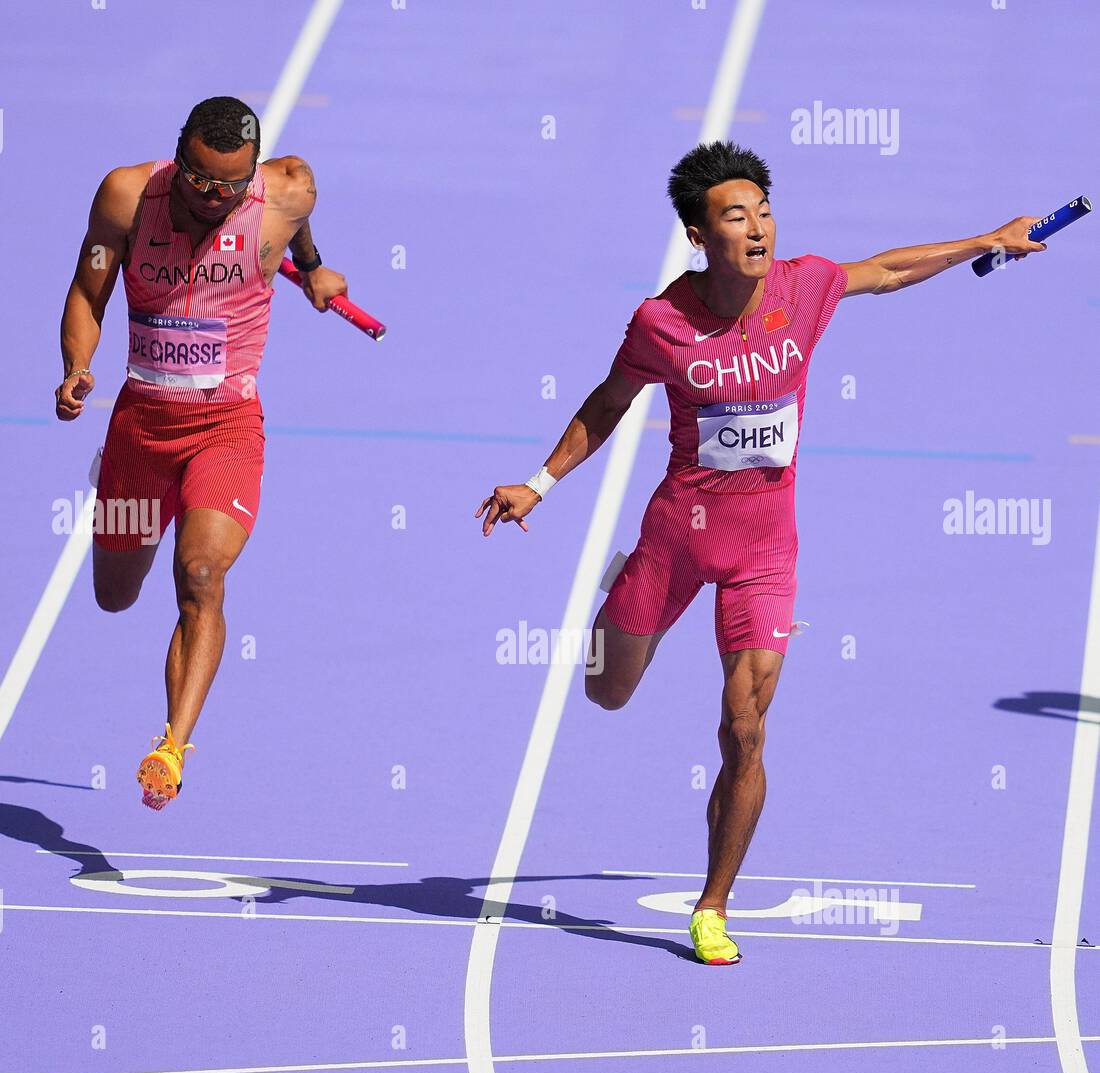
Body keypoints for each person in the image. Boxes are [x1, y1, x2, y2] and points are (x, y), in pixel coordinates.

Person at [476, 140, 1044, 964]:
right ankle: (622, 587)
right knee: (607, 693)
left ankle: (712, 905)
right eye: (735, 216)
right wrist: (539, 482)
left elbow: (885, 271)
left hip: (766, 552)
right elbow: (608, 401)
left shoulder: (804, 287)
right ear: (698, 236)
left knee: (745, 729)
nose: (758, 228)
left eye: (765, 211)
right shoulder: (661, 322)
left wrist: (987, 239)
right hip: (676, 540)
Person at [55, 96, 348, 810]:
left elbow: (300, 225)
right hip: (139, 432)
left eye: (233, 186)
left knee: (203, 573)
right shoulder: (126, 196)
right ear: (178, 155)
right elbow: (89, 290)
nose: (218, 198)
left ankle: (172, 745)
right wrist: (75, 366)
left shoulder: (287, 190)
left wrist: (312, 268)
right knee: (114, 596)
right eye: (203, 182)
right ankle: (132, 506)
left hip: (227, 431)